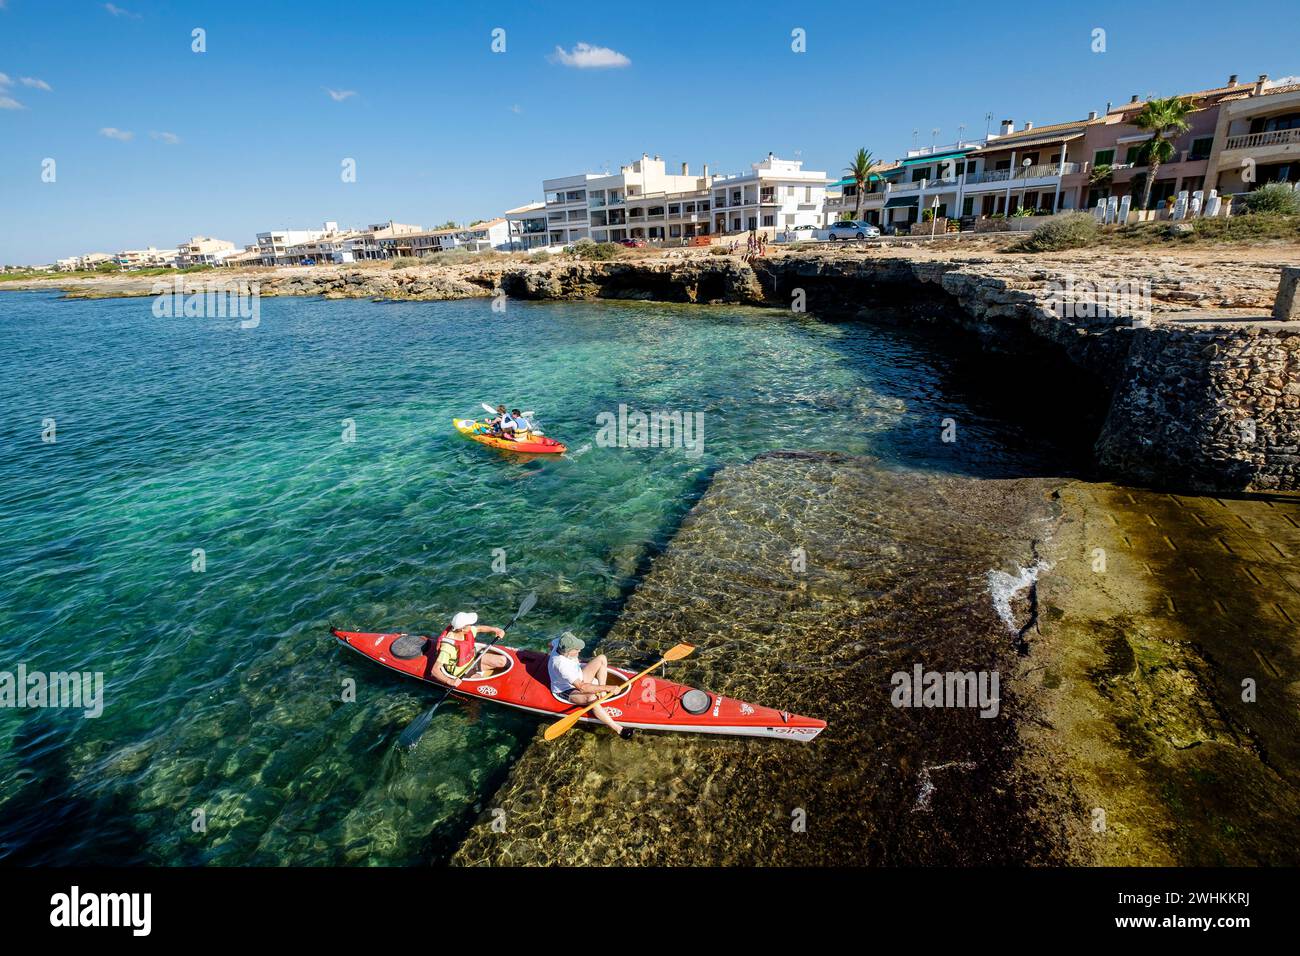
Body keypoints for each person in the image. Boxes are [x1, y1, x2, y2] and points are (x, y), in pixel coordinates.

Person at [547, 632, 633, 739]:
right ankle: (618, 729)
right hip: (567, 690)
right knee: (592, 698)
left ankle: (601, 692)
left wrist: (602, 689)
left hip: (578, 675)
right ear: (567, 652)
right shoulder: (561, 665)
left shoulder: (562, 641)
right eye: (576, 649)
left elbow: (549, 644)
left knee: (602, 658)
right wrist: (609, 688)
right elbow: (582, 687)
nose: (580, 650)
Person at [430, 611, 509, 687]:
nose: (471, 626)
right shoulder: (448, 647)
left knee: (502, 660)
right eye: (469, 625)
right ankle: (479, 675)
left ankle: (480, 672)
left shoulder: (467, 631)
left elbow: (479, 629)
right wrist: (450, 681)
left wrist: (496, 629)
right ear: (462, 629)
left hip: (473, 661)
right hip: (462, 673)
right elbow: (434, 670)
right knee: (485, 685)